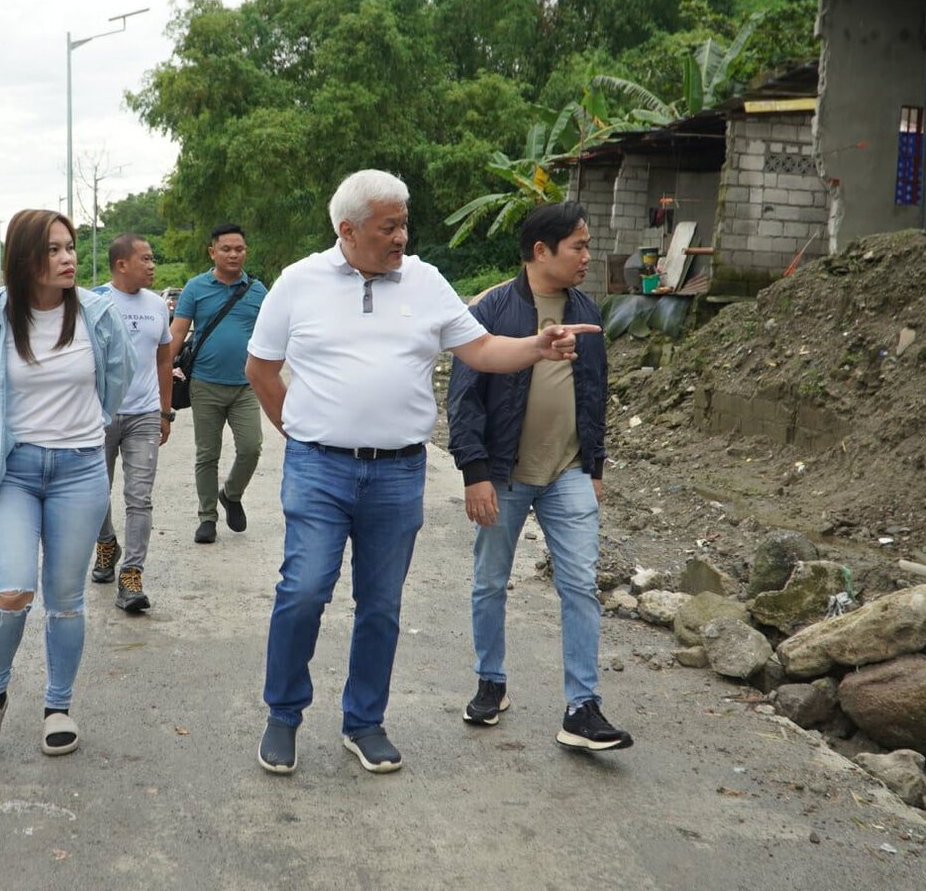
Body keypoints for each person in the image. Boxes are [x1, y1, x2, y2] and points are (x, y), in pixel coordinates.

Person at [244, 170, 601, 775]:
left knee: (381, 604)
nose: (402, 238)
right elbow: (261, 368)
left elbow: (481, 350)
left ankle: (364, 721)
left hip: (398, 473)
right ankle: (283, 715)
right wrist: (301, 434)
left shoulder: (426, 281)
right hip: (319, 469)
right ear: (348, 230)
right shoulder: (298, 282)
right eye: (389, 227)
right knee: (303, 591)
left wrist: (537, 347)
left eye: (404, 225)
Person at [447, 202, 632, 753]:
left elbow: (595, 393)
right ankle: (491, 682)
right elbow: (464, 399)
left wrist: (594, 467)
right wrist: (475, 473)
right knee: (490, 581)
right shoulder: (493, 310)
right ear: (540, 251)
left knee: (580, 584)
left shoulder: (587, 312)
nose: (588, 256)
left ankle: (582, 707)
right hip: (504, 474)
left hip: (568, 472)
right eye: (579, 246)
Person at [0, 209, 132, 757]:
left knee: (65, 598)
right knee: (11, 589)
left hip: (80, 470)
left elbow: (116, 380)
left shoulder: (98, 315)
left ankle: (58, 706)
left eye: (70, 247)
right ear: (25, 257)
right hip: (12, 469)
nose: (67, 258)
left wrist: (81, 428)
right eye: (53, 249)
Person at [90, 233, 175, 613]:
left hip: (144, 414)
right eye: (146, 258)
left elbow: (164, 360)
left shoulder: (157, 305)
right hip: (100, 415)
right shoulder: (94, 303)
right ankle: (106, 543)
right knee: (95, 493)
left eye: (153, 258)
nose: (152, 265)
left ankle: (131, 575)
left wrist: (165, 412)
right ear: (121, 264)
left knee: (139, 497)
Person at [169, 224, 267, 544]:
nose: (233, 254)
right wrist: (161, 370)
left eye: (239, 249)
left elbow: (272, 334)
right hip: (205, 384)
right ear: (213, 252)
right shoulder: (196, 288)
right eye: (226, 249)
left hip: (245, 385)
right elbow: (178, 331)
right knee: (207, 454)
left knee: (251, 447)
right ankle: (207, 517)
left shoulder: (257, 291)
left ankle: (232, 494)